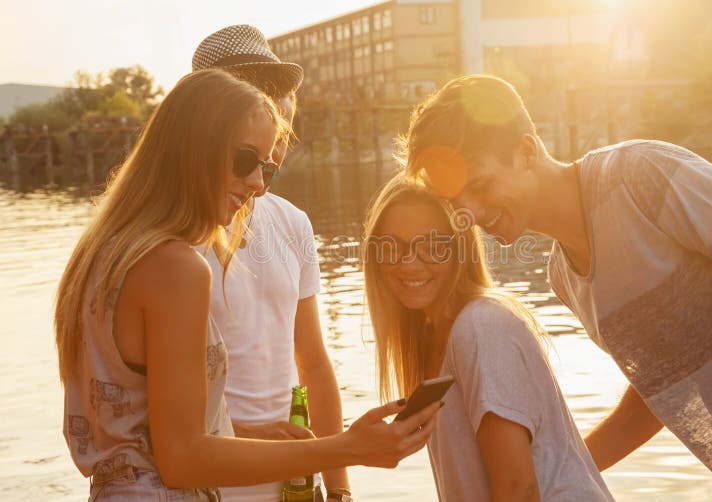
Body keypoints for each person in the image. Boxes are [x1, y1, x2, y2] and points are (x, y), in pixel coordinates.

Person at [399, 74, 712, 501]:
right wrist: (558, 466)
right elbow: (662, 390)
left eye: (480, 186)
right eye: (458, 200)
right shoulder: (565, 278)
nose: (472, 213)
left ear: (526, 151)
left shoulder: (638, 177)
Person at [55, 69, 441, 500]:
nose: (257, 183)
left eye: (266, 168)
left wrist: (252, 433)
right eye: (244, 160)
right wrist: (348, 448)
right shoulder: (177, 268)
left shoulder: (103, 254)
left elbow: (138, 428)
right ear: (194, 148)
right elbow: (182, 459)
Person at [362, 173, 615, 501]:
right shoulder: (430, 336)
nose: (410, 264)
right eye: (393, 247)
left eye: (433, 246)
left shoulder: (480, 326)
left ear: (460, 249)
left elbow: (517, 490)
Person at [191, 24, 350, 502]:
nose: (278, 145)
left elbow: (314, 364)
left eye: (286, 124)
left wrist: (338, 488)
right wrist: (252, 437)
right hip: (211, 483)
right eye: (269, 122)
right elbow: (156, 407)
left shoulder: (293, 223)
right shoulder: (179, 237)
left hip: (294, 483)